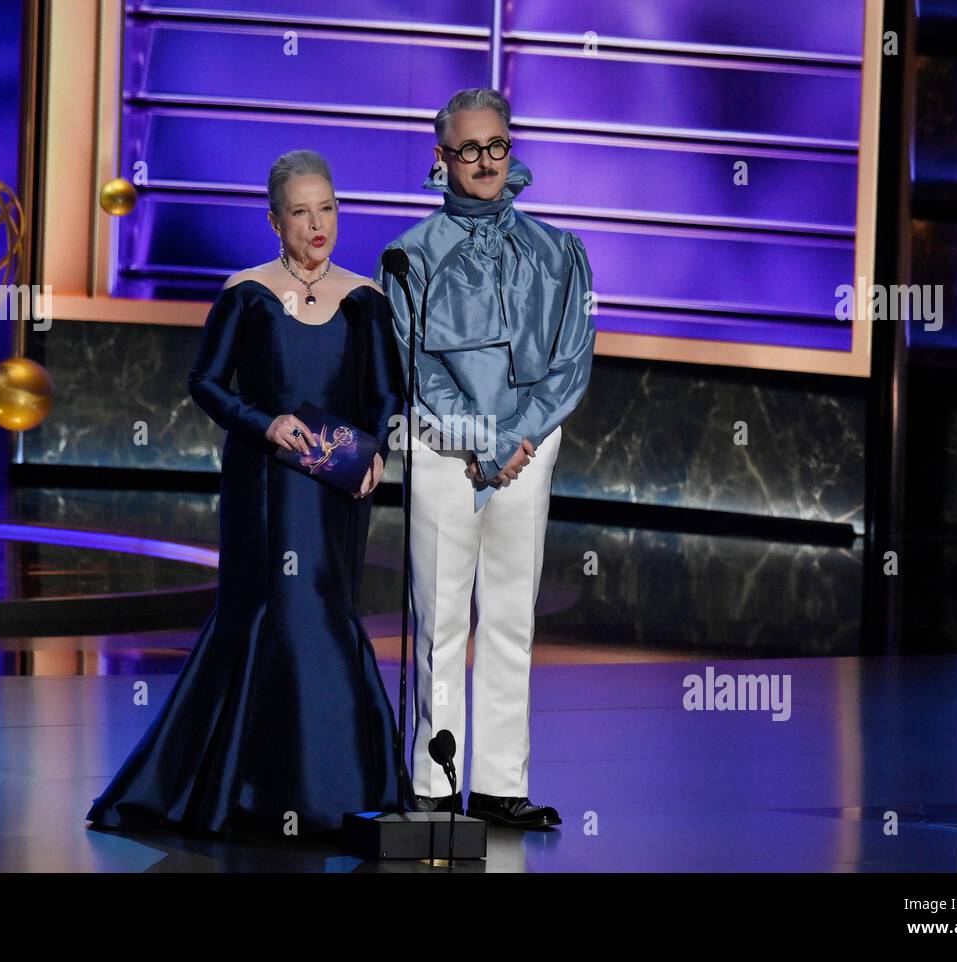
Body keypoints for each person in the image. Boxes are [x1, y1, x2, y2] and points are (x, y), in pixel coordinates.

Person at [85, 149, 404, 837]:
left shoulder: (366, 300)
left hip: (337, 488)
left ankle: (338, 788)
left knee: (326, 612)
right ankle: (242, 788)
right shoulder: (248, 293)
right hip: (263, 484)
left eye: (327, 209)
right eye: (300, 212)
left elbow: (384, 397)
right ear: (274, 220)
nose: (317, 224)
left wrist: (376, 450)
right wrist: (267, 425)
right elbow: (205, 381)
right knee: (266, 613)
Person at [376, 87, 595, 830]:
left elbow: (571, 360)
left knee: (511, 616)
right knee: (440, 621)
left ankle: (503, 786)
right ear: (441, 159)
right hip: (445, 452)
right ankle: (434, 787)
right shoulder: (410, 256)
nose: (485, 161)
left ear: (511, 147)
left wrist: (515, 439)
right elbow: (414, 368)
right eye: (468, 149)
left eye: (495, 145)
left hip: (528, 450)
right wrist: (480, 441)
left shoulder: (560, 252)